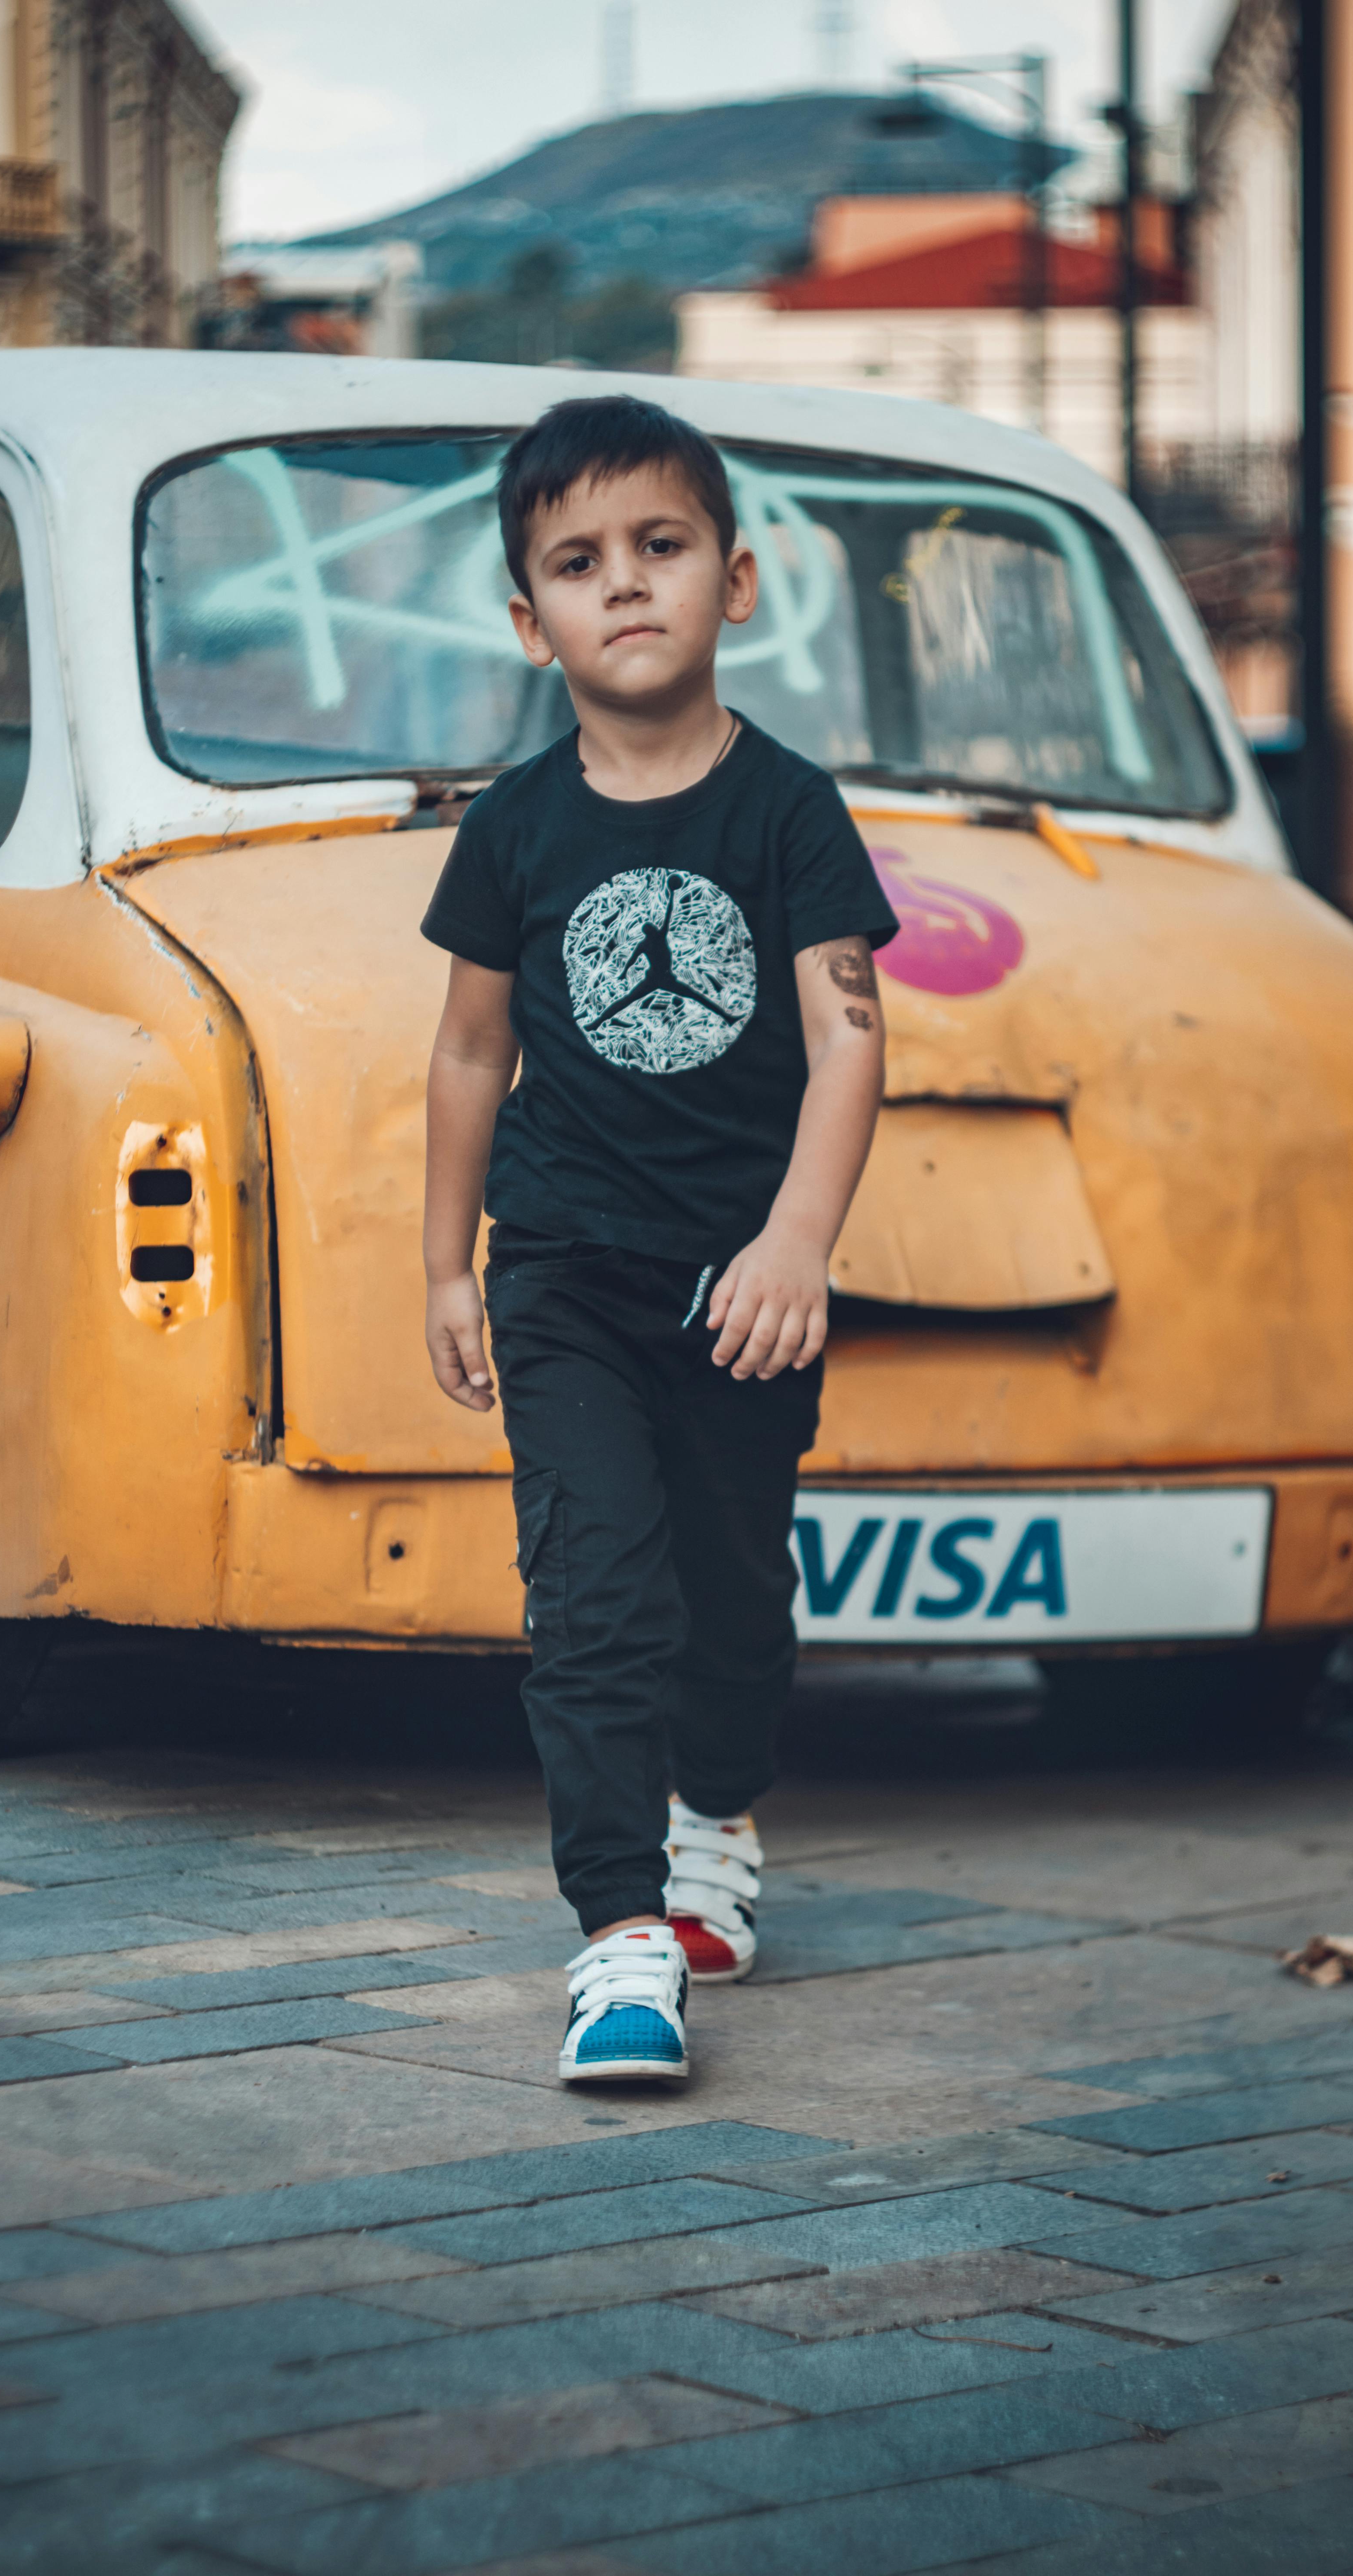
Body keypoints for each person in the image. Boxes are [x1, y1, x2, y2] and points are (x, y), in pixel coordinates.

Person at [421, 395, 895, 2084]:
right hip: (561, 1273)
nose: (622, 586)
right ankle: (620, 1937)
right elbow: (473, 1051)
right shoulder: (515, 830)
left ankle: (718, 1812)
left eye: (660, 546)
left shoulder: (785, 813)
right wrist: (442, 1266)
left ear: (736, 582)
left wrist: (795, 1242)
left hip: (741, 1294)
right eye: (575, 561)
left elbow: (849, 1035)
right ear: (526, 615)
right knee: (596, 1597)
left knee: (733, 1612)